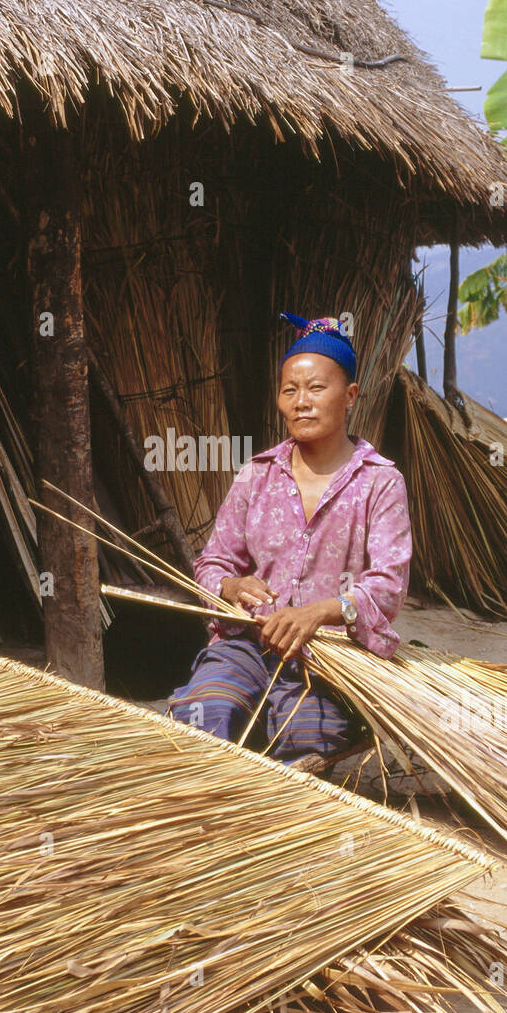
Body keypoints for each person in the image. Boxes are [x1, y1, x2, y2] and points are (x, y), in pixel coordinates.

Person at [166, 313, 412, 772]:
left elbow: (389, 584)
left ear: (350, 396)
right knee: (206, 711)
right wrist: (232, 587)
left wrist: (318, 612)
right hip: (249, 641)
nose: (301, 402)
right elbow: (213, 562)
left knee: (308, 735)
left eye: (317, 389)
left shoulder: (381, 483)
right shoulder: (257, 473)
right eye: (290, 390)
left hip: (330, 657)